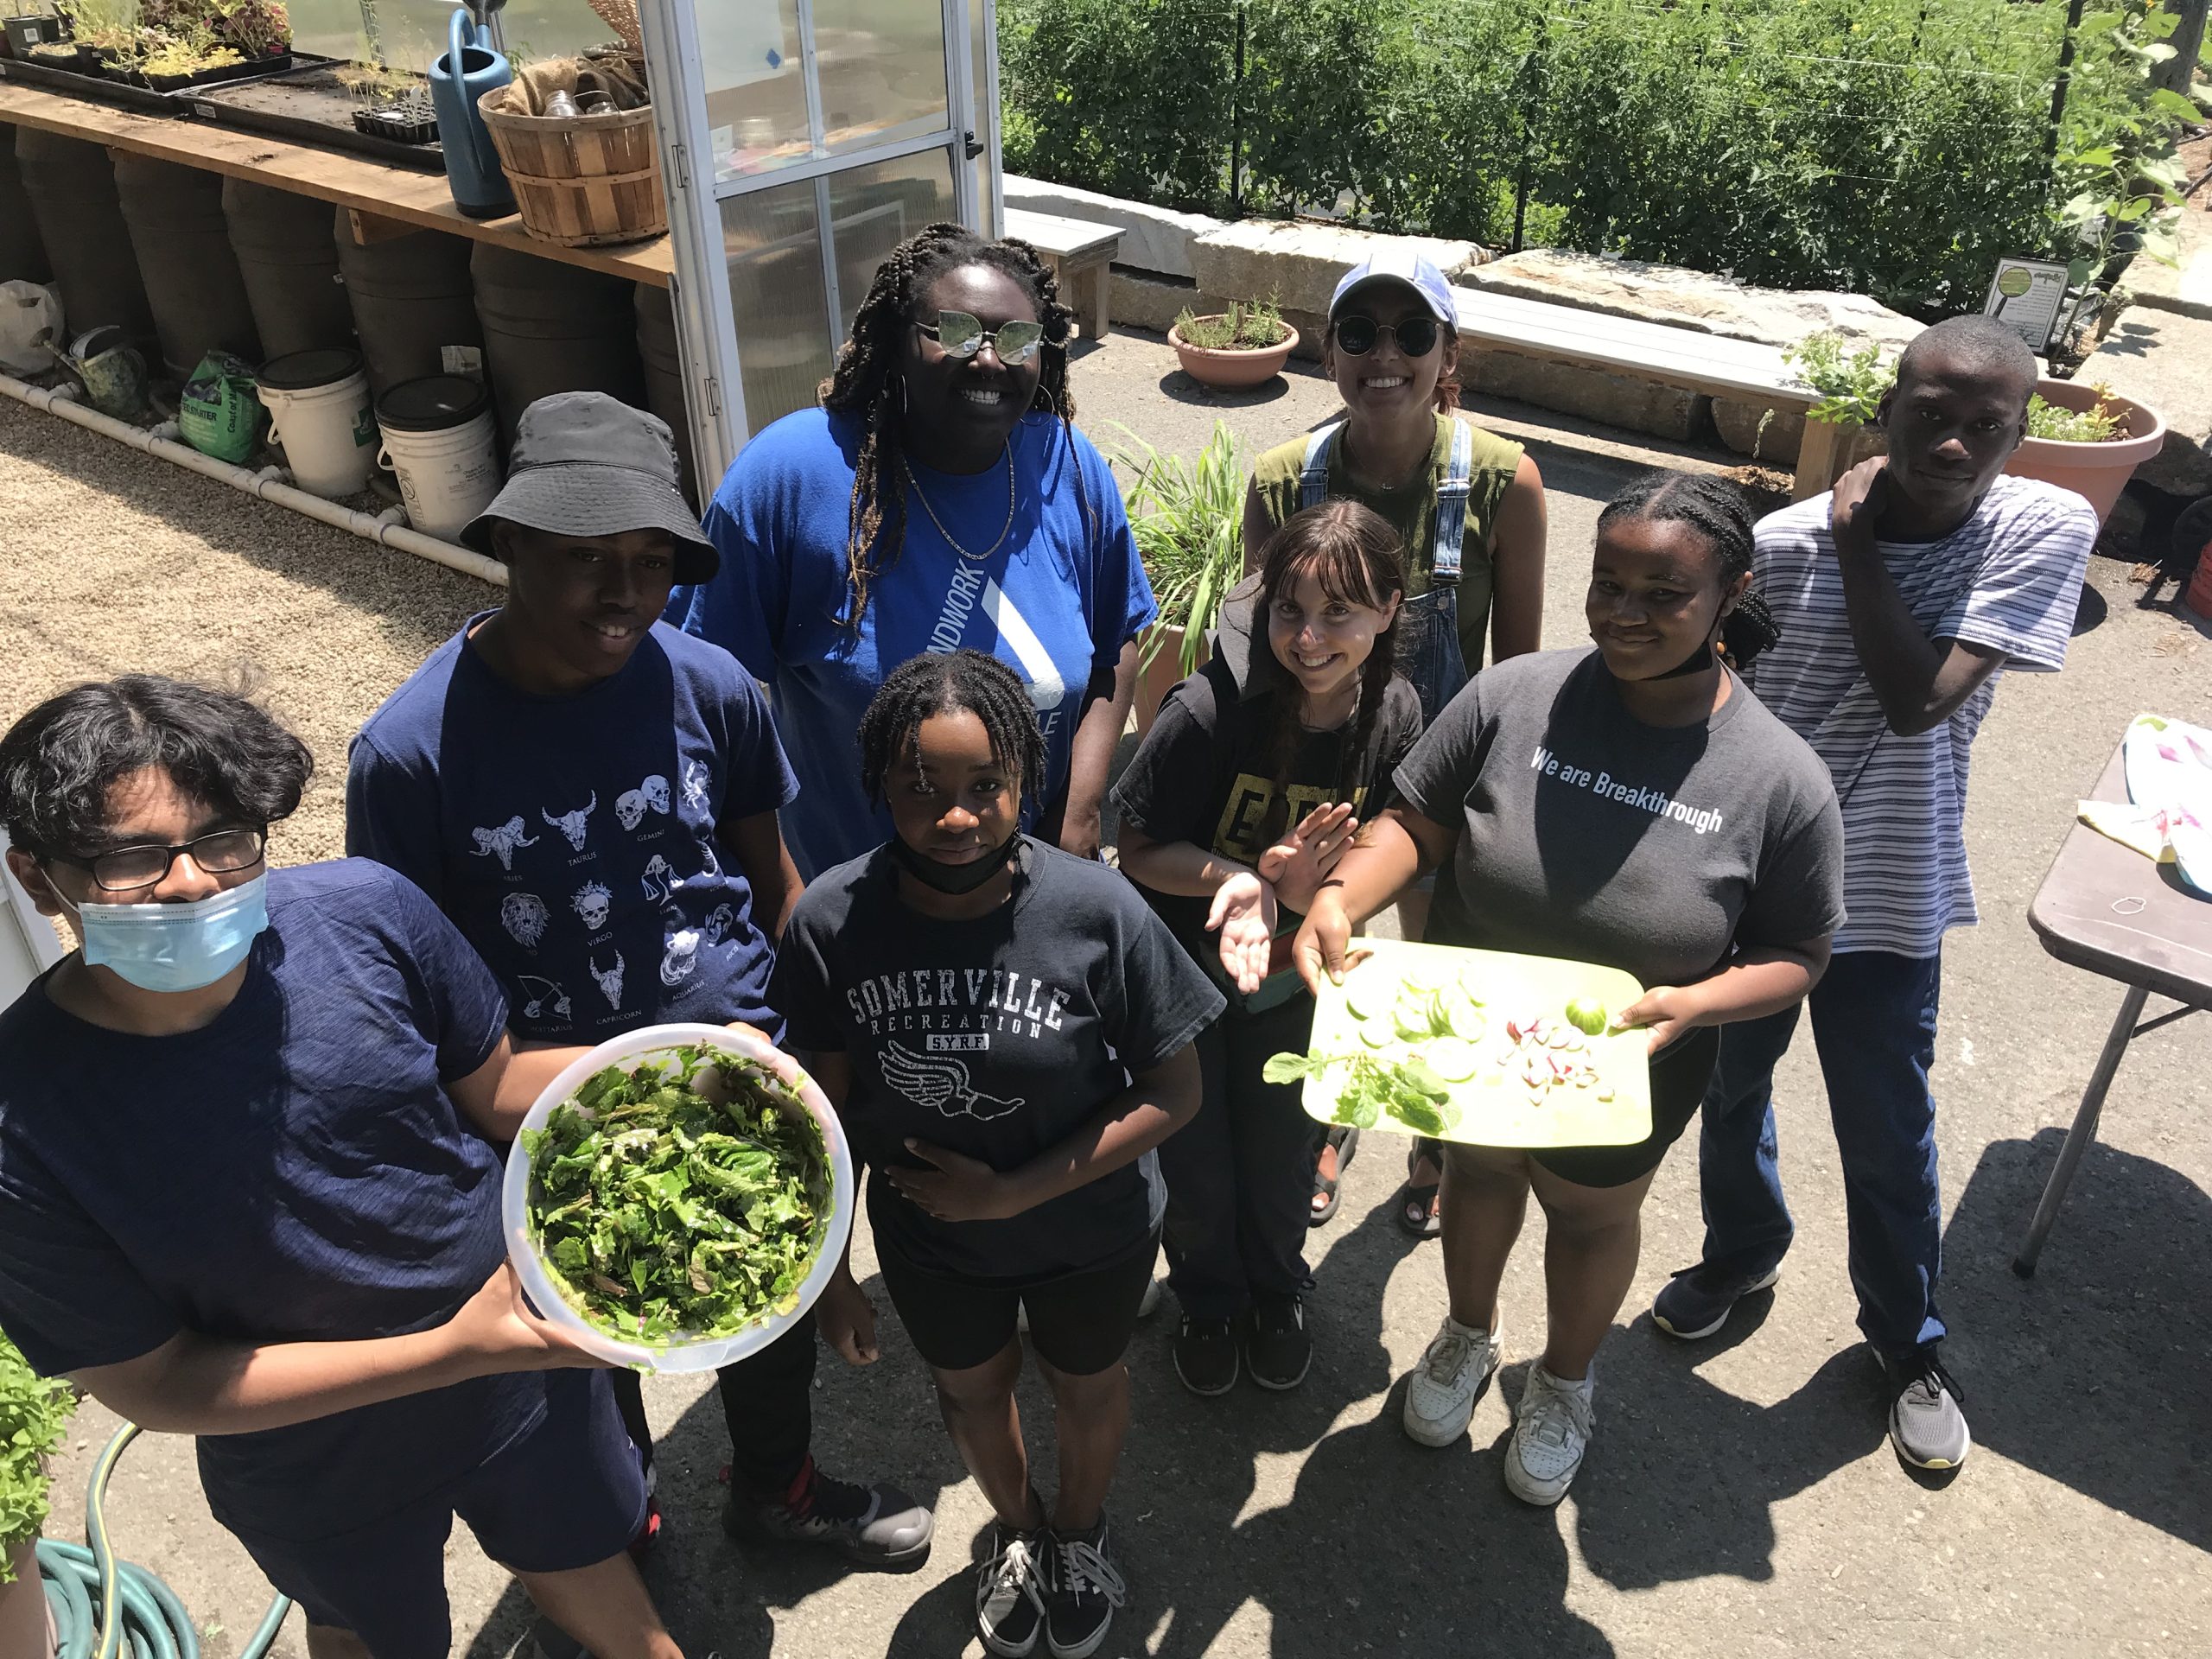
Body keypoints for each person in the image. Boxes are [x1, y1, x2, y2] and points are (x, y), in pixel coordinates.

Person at [343, 392, 931, 1567]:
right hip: (555, 1111)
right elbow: (406, 979)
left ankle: (777, 1488)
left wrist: (817, 1037)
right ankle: (623, 1517)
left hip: (743, 1071)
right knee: (591, 1328)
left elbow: (771, 878)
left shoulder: (709, 686)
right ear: (510, 544)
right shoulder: (411, 753)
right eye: (586, 559)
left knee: (761, 1296)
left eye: (651, 563)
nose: (623, 594)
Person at [0, 676, 689, 1659]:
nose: (192, 882)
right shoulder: (21, 1120)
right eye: (132, 859)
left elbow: (496, 1085)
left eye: (224, 840)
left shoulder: (368, 912)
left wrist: (687, 1066)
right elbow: (157, 1381)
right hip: (312, 1460)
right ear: (37, 879)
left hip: (527, 1377)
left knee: (583, 1554)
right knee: (366, 1630)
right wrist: (454, 1349)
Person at [1294, 473, 1847, 1505]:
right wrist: (1340, 896)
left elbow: (1798, 953)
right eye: (1607, 585)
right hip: (1472, 1032)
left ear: (1729, 594)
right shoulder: (1512, 696)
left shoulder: (1778, 778)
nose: (1624, 614)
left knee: (1588, 1217)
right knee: (1479, 1177)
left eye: (1662, 594)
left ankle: (1561, 1383)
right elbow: (1414, 824)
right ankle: (1466, 1335)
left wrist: (1696, 1004)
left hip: (1626, 1059)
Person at [1656, 315, 2098, 1473]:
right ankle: (1741, 1250)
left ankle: (1908, 1342)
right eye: (1930, 415)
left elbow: (1918, 701)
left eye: (1986, 425)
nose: (1954, 444)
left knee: (1887, 1127)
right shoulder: (1779, 546)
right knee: (1731, 1088)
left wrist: (1859, 541)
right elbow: (1711, 709)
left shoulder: (2039, 526)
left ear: (2019, 433)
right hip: (1758, 884)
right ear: (1885, 411)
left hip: (1893, 883)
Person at [771, 651, 1221, 1658]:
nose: (956, 815)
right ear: (878, 784)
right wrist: (829, 1275)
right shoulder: (832, 922)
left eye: (986, 785)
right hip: (932, 1242)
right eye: (920, 787)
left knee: (1086, 1384)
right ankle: (1018, 1532)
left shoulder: (1097, 911)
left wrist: (1013, 1191)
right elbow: (823, 1116)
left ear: (1025, 776)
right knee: (972, 1390)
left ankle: (1079, 1533)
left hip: (1091, 1229)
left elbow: (1175, 1091)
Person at [668, 224, 1156, 880]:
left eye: (1018, 338)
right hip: (851, 904)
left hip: (1034, 890)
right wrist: (776, 890)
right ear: (900, 340)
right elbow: (700, 694)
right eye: (954, 332)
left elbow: (1115, 640)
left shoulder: (1063, 465)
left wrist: (1080, 814)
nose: (989, 360)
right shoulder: (794, 476)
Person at [1244, 249, 1549, 1237]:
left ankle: (1431, 1140)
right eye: (1360, 333)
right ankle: (1325, 1121)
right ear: (1328, 350)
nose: (1385, 355)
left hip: (1440, 785)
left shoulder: (1503, 480)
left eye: (1412, 334)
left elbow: (1515, 674)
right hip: (1321, 768)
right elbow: (1265, 651)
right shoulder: (1282, 480)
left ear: (1447, 354)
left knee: (1437, 964)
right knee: (1319, 956)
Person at [1113, 501, 1421, 1396]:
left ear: (1388, 611)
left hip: (1297, 988)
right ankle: (1209, 1301)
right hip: (1185, 986)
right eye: (1290, 610)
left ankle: (1278, 1290)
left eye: (1339, 613)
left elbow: (1396, 841)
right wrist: (1243, 878)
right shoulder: (1206, 710)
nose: (1309, 638)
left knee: (1284, 1158)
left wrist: (1320, 896)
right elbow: (1139, 849)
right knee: (1197, 1163)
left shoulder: (1395, 713)